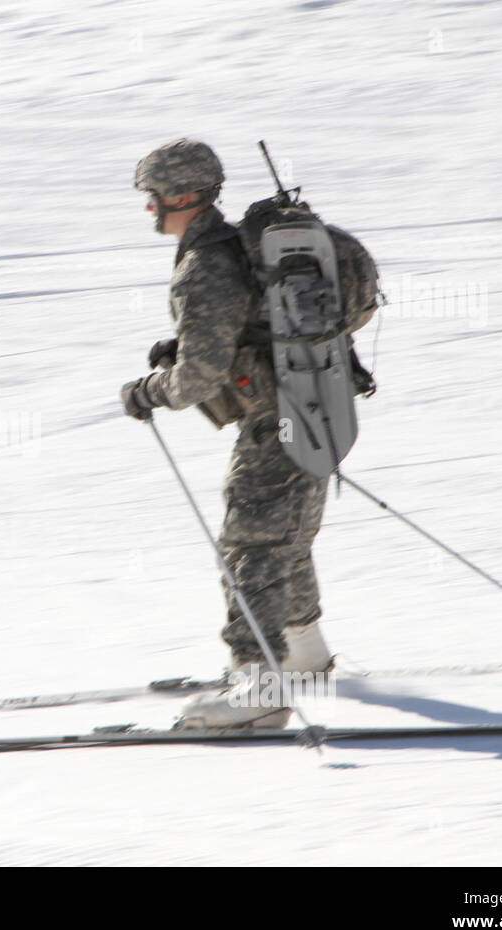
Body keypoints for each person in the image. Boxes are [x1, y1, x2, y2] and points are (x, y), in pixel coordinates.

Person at [119, 138, 333, 730]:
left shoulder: (206, 263)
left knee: (249, 546)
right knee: (285, 534)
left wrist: (150, 390)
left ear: (183, 195)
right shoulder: (243, 246)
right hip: (320, 405)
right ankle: (305, 652)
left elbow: (197, 380)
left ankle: (260, 687)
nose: (149, 210)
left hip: (274, 422)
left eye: (155, 197)